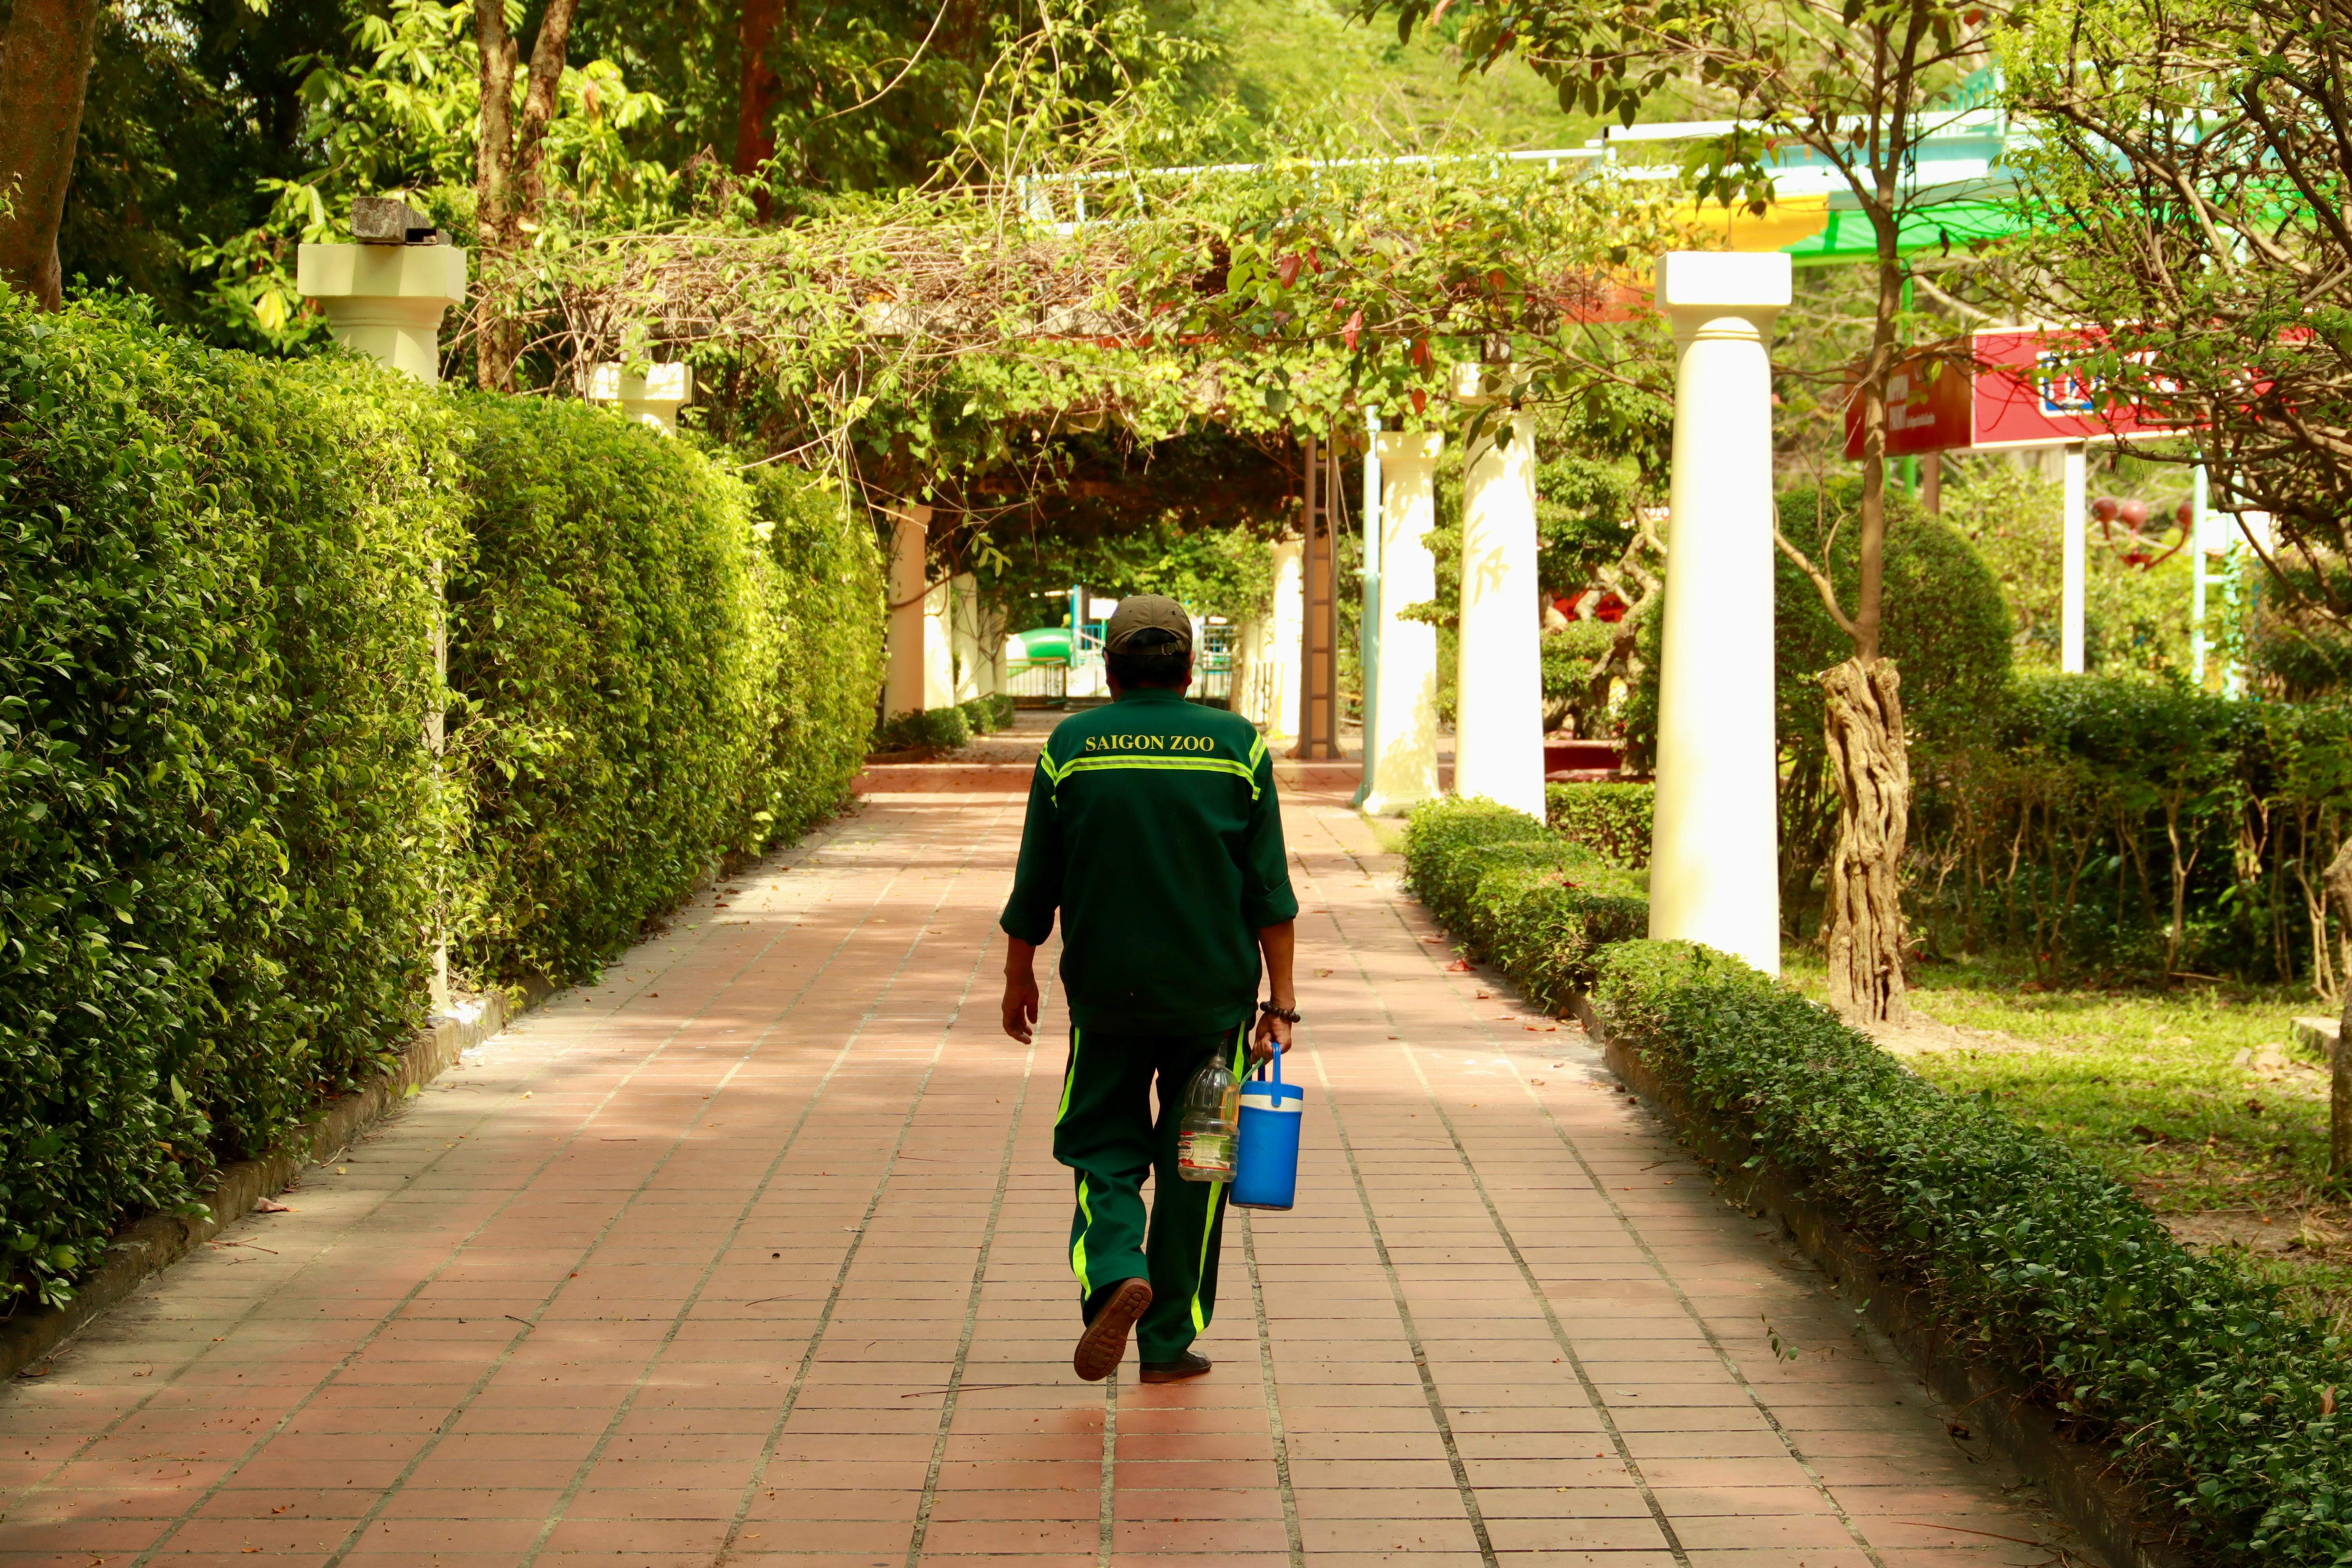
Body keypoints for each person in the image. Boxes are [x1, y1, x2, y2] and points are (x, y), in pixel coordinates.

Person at [999, 594, 1299, 1385]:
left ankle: (1113, 1271)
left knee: (1102, 1147)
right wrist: (1281, 1004)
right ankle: (1167, 1342)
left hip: (1107, 1000)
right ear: (1190, 667)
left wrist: (1018, 973)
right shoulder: (1238, 747)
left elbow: (1038, 877)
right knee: (1199, 1164)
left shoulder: (1072, 746)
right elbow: (1269, 890)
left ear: (1110, 669)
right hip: (1213, 1003)